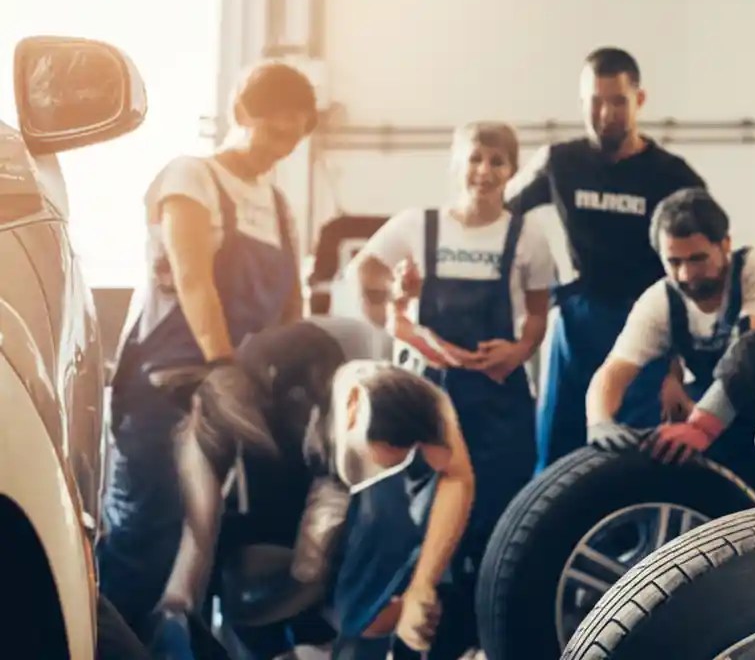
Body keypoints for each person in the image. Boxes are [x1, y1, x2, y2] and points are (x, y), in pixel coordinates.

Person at [98, 59, 317, 639]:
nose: (282, 149)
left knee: (213, 545)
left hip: (239, 402)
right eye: (274, 131)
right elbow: (195, 284)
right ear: (241, 112)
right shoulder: (189, 178)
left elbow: (290, 308)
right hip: (163, 391)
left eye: (294, 138)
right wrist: (224, 370)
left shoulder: (279, 205)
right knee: (149, 535)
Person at [145, 315, 475, 660]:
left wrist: (421, 585)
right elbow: (198, 543)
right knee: (204, 568)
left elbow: (457, 475)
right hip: (253, 432)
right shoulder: (226, 420)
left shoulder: (402, 400)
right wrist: (179, 607)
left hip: (322, 431)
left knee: (341, 556)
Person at [353, 120, 557, 654]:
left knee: (495, 527)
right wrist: (395, 307)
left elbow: (538, 316)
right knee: (423, 530)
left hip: (499, 401)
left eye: (496, 161)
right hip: (430, 397)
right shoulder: (416, 226)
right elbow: (365, 277)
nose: (483, 171)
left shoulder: (528, 236)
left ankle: (480, 643)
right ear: (455, 162)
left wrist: (517, 351)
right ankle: (416, 644)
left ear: (512, 171)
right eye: (474, 158)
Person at [506, 47, 708, 471]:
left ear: (639, 100)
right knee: (556, 455)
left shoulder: (673, 177)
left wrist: (676, 369)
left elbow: (695, 277)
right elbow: (500, 212)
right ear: (582, 102)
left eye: (617, 101)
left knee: (634, 458)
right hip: (578, 319)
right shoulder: (561, 163)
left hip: (646, 325)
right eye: (595, 102)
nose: (605, 114)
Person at [585, 188, 755, 503]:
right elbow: (614, 371)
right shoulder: (660, 300)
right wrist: (599, 420)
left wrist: (700, 426)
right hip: (727, 421)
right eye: (674, 262)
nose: (687, 274)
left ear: (725, 244)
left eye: (698, 259)